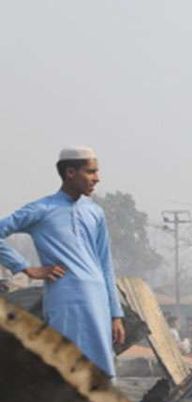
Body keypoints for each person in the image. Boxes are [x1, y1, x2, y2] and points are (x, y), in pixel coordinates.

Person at [0, 147, 124, 377]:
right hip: (65, 299)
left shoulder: (95, 213)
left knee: (102, 372)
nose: (97, 178)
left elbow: (105, 264)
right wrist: (25, 268)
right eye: (91, 172)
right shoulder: (41, 209)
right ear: (70, 173)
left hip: (98, 301)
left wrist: (116, 314)